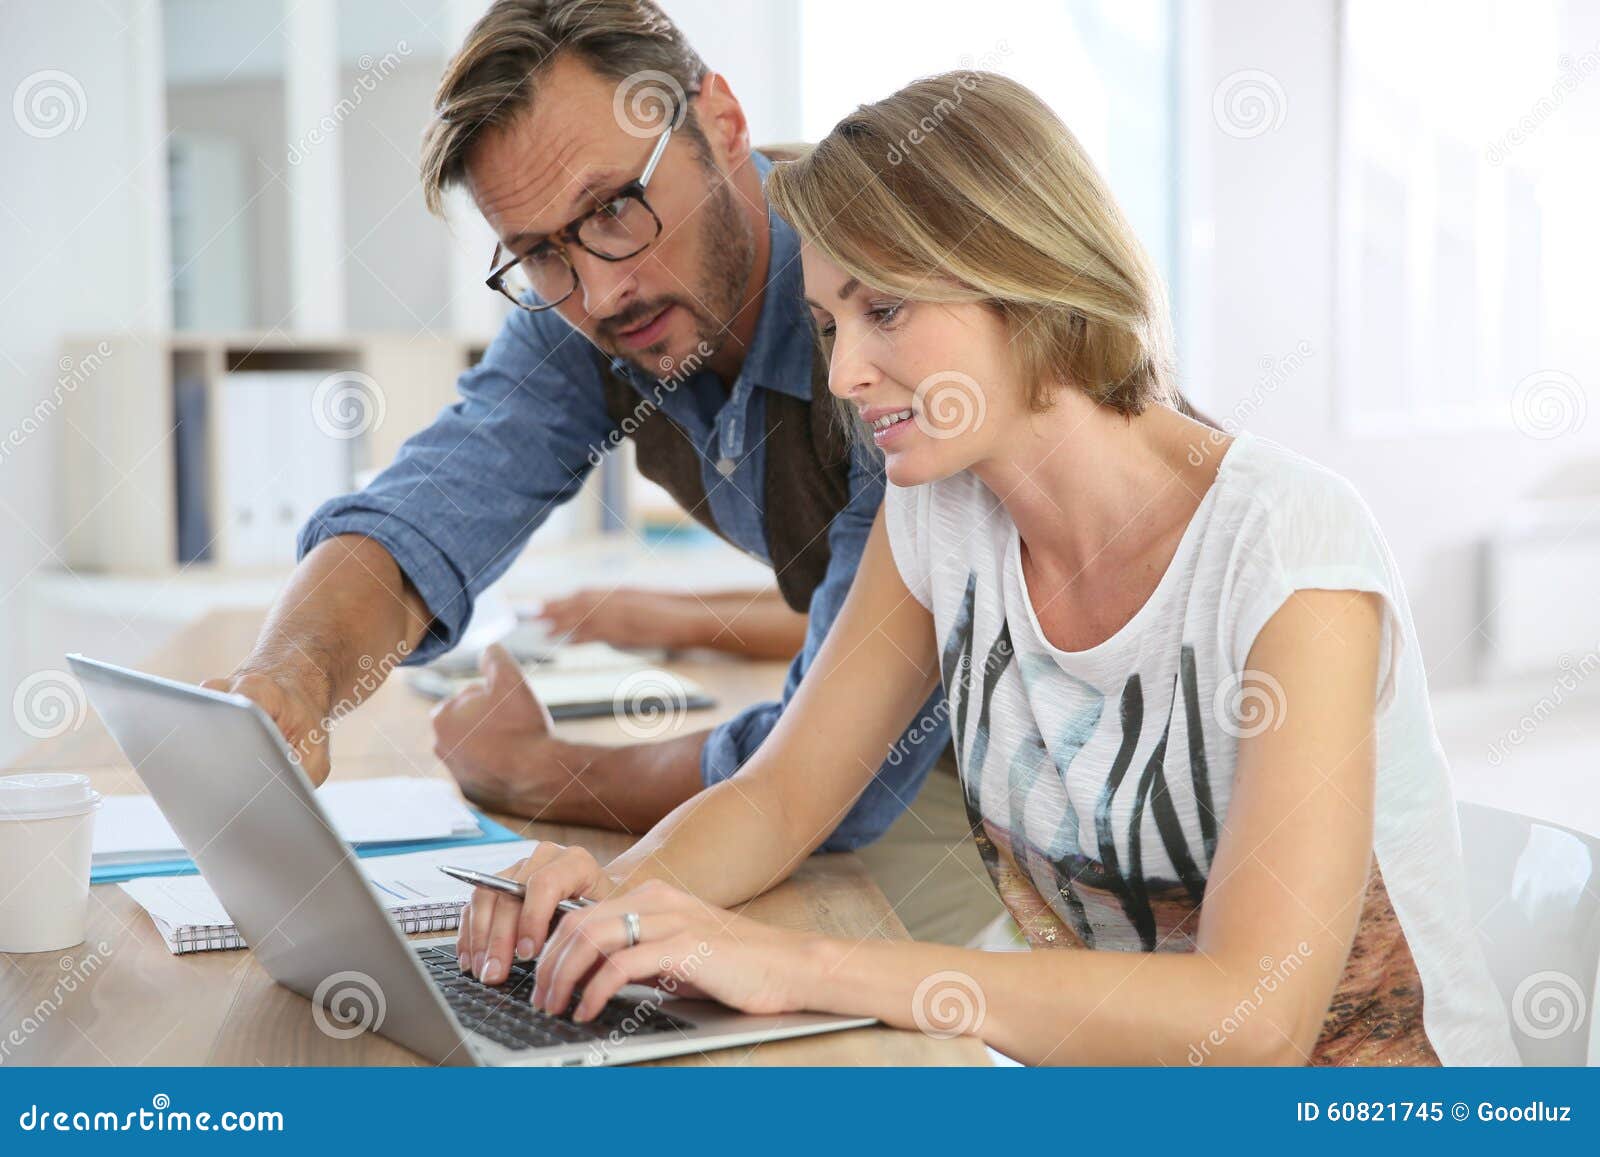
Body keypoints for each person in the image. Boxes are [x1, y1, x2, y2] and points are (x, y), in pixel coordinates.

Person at [455, 71, 1520, 1066]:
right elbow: (782, 796)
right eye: (826, 324)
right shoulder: (936, 512)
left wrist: (802, 966)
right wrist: (606, 900)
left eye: (884, 310)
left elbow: (1253, 1020)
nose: (843, 372)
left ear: (1028, 270)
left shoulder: (1287, 547)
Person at [198, 0, 1000, 948]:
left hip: (1016, 798)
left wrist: (542, 771)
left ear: (725, 122)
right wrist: (290, 677)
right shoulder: (597, 309)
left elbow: (836, 789)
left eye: (616, 206)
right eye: (540, 253)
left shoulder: (882, 313)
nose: (601, 291)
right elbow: (430, 507)